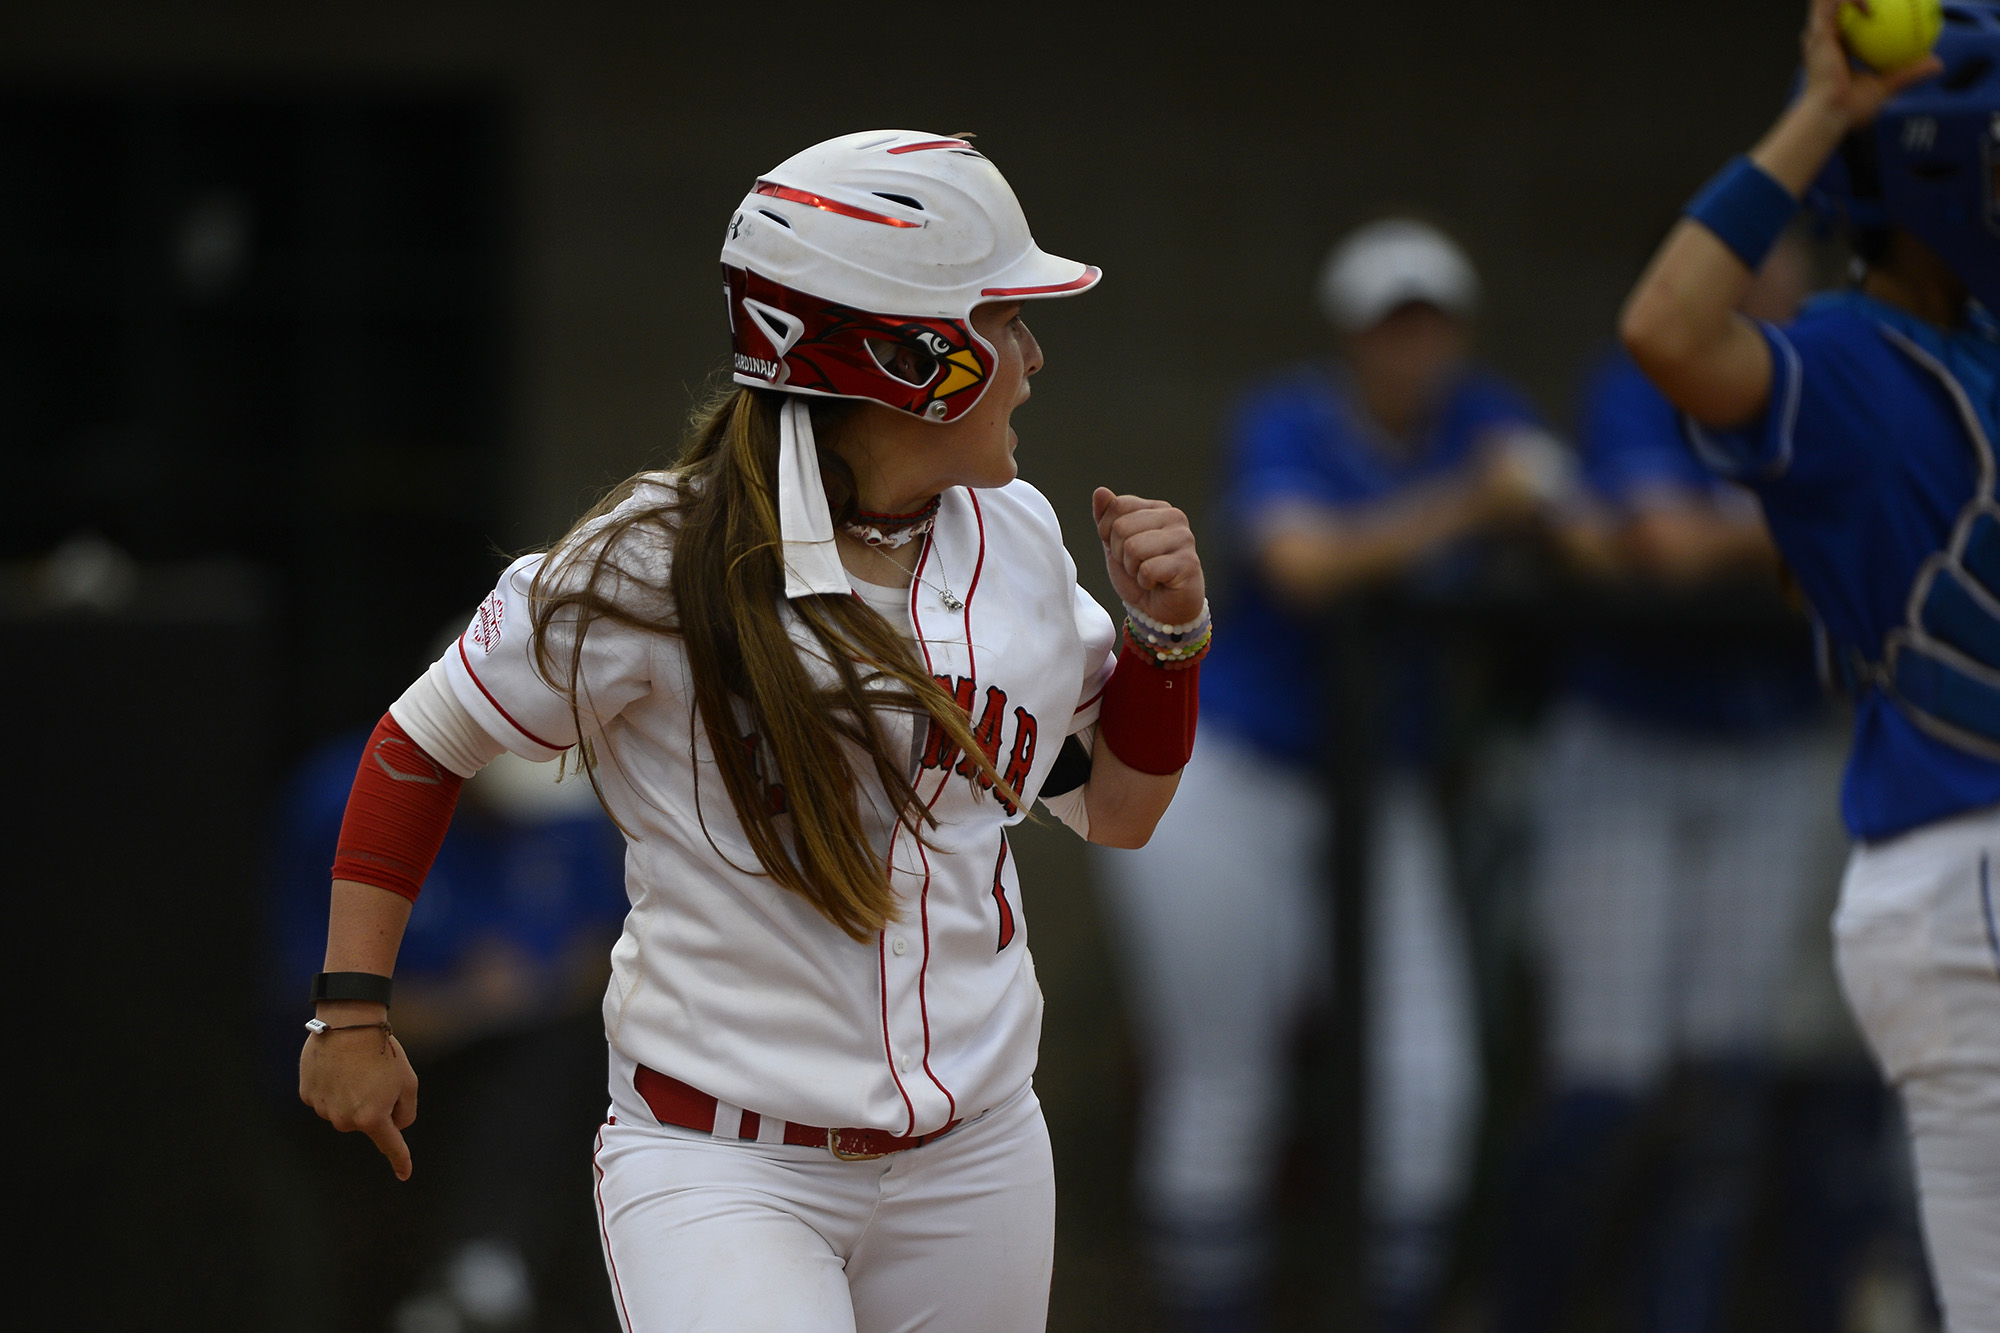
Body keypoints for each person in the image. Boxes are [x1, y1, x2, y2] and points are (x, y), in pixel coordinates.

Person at [296, 129, 1211, 1333]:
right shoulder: (651, 558)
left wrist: (1165, 638)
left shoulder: (1018, 539)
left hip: (974, 1157)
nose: (1033, 356)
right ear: (905, 358)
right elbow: (420, 743)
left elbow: (1121, 808)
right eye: (1002, 321)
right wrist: (351, 1010)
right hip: (723, 1164)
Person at [1093, 218, 1564, 1333]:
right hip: (1230, 777)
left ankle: (1395, 1308)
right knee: (1224, 1078)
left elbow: (1573, 518)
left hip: (1380, 784)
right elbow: (1302, 565)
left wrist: (1542, 513)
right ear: (1352, 337)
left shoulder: (1484, 417)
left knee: (1428, 1081)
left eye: (1429, 325)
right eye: (1389, 326)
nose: (1411, 349)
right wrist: (1473, 506)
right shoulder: (1290, 417)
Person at [1620, 3, 2000, 1326]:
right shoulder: (1848, 358)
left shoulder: (1976, 347)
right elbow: (1667, 329)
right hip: (1964, 852)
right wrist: (1825, 116)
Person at [1493, 237, 1846, 1333]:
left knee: (1725, 1081)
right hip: (1628, 747)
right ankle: (1520, 1306)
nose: (1770, 294)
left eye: (1787, 275)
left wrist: (1756, 536)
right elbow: (1663, 545)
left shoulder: (1827, 394)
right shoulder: (1638, 379)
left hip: (1772, 750)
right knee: (1606, 1077)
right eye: (1749, 270)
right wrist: (1793, 535)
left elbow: (1865, 545)